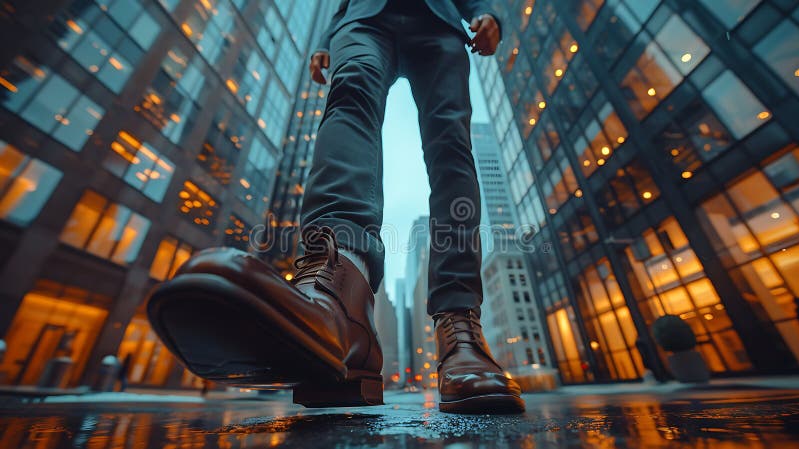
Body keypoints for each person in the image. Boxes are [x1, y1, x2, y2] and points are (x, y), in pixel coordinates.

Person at [146, 0, 524, 415]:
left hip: (439, 19)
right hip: (363, 17)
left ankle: (459, 325)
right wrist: (326, 39)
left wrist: (487, 10)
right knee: (349, 96)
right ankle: (338, 294)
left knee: (450, 141)